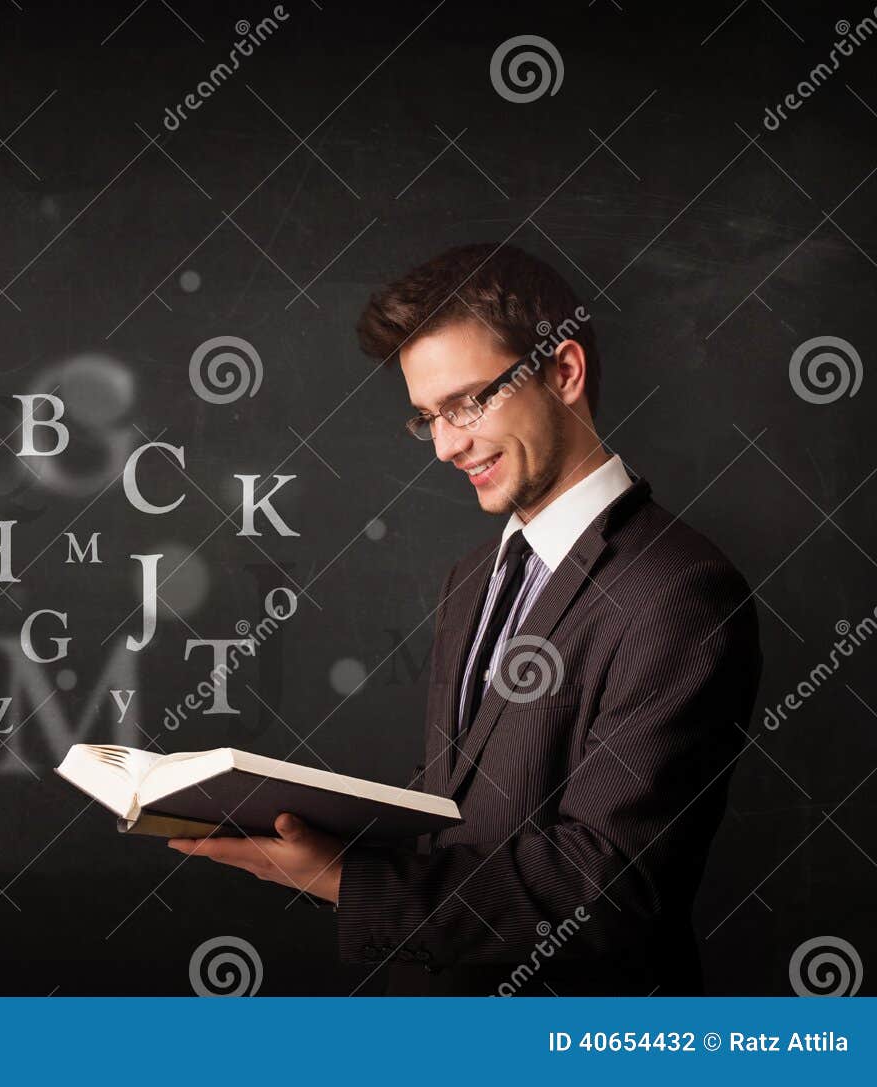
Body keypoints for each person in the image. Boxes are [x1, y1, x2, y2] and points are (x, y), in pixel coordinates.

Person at [169, 243, 762, 995]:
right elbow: (466, 817)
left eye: (468, 402)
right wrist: (300, 829)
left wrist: (349, 880)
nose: (447, 444)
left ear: (564, 372)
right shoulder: (473, 577)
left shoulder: (681, 589)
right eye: (428, 418)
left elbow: (606, 889)